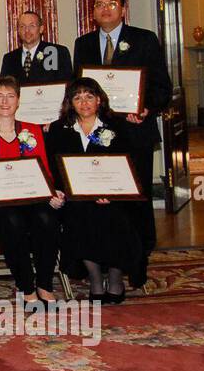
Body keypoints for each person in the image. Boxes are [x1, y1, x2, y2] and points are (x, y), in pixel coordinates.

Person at [71, 0, 173, 280]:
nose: (105, 9)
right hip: (96, 135)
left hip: (134, 132)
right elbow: (80, 90)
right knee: (98, 198)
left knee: (133, 200)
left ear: (123, 9)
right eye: (99, 4)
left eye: (112, 4)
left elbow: (162, 88)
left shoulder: (144, 40)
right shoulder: (84, 44)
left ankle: (137, 265)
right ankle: (100, 262)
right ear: (92, 12)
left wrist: (146, 108)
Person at [0, 76, 65, 306]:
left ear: (18, 101)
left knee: (47, 219)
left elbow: (44, 171)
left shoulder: (31, 130)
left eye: (10, 96)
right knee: (12, 221)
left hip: (31, 199)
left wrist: (53, 193)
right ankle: (26, 285)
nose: (5, 101)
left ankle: (44, 283)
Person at [46, 77, 143, 303]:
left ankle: (116, 279)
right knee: (81, 215)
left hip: (114, 196)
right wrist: (60, 191)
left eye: (89, 96)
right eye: (77, 98)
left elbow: (130, 164)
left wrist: (113, 193)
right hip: (76, 197)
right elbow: (54, 167)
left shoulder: (117, 126)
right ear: (70, 102)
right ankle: (96, 278)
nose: (84, 102)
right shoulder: (59, 129)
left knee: (115, 216)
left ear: (99, 100)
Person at [0, 10, 73, 83]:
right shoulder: (9, 58)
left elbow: (66, 84)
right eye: (22, 26)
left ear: (41, 29)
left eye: (32, 26)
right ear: (18, 31)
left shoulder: (56, 52)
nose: (27, 30)